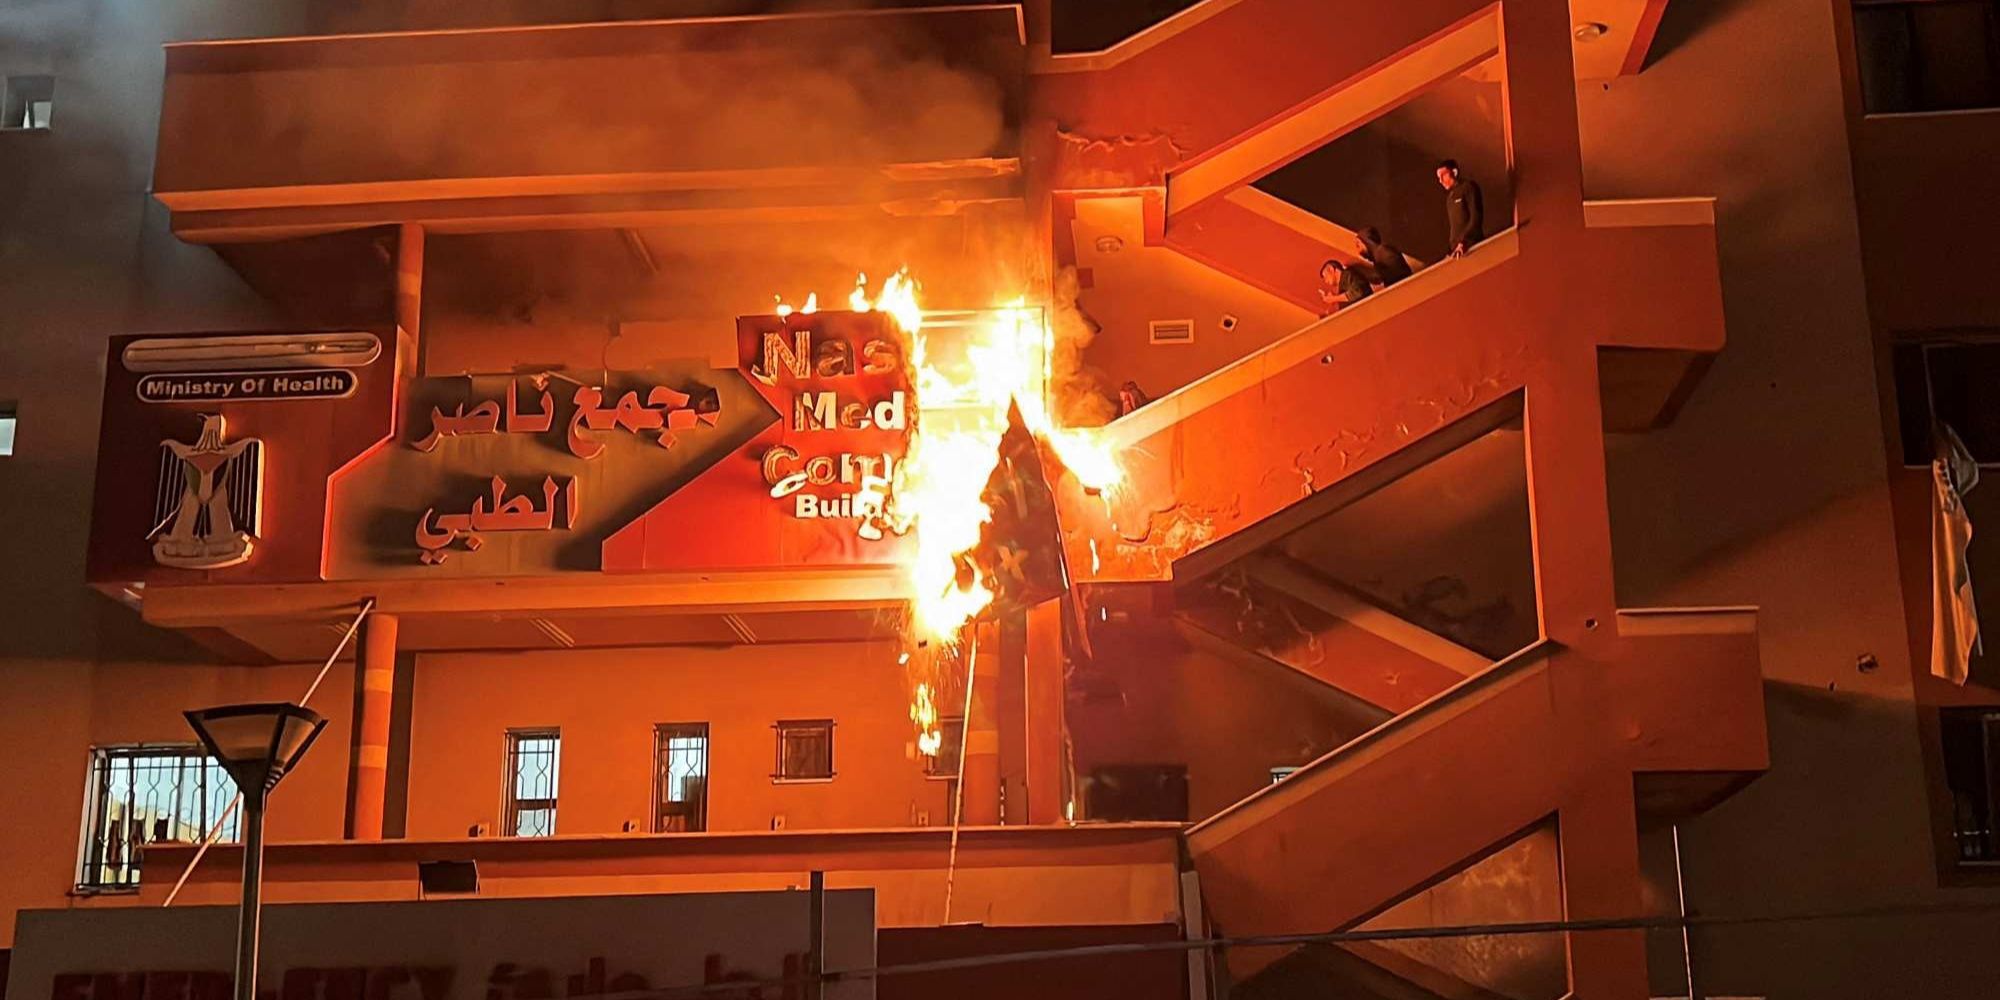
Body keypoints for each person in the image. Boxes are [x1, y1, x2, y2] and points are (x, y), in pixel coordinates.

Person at [1436, 159, 1484, 257]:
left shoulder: (1468, 187)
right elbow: (1454, 228)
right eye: (1438, 178)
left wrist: (1464, 242)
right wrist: (1450, 250)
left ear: (1454, 172)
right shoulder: (1449, 198)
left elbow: (1476, 218)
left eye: (1443, 175)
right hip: (1456, 252)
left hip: (1471, 247)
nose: (1440, 181)